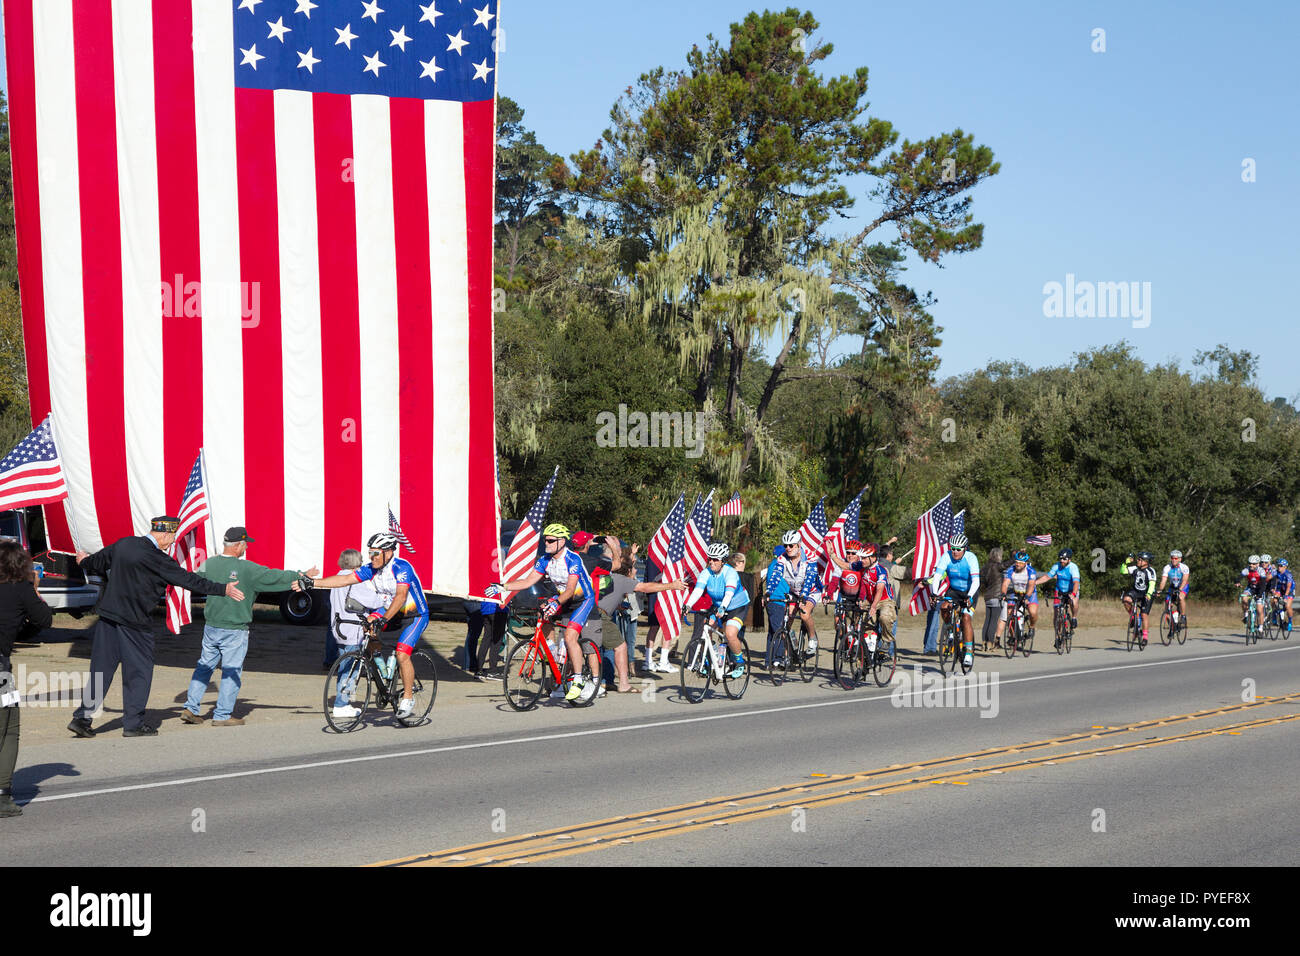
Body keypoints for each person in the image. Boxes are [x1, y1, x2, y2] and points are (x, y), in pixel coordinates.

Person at [68, 516, 244, 738]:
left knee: (100, 671)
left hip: (107, 618)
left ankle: (82, 718)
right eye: (171, 540)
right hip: (135, 624)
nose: (171, 544)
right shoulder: (157, 559)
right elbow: (190, 581)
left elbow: (96, 563)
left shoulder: (125, 544)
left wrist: (83, 561)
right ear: (164, 534)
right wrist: (223, 589)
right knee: (139, 673)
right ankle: (133, 724)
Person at [179, 527, 317, 727]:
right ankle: (222, 715)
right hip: (235, 628)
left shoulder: (209, 563)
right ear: (237, 546)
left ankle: (190, 708)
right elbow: (275, 577)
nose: (246, 547)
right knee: (231, 671)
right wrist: (302, 575)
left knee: (204, 666)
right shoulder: (247, 569)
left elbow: (193, 580)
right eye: (245, 544)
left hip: (211, 625)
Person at [310, 532, 429, 719]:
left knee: (402, 653)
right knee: (367, 627)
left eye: (375, 553)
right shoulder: (372, 569)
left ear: (388, 552)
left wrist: (383, 618)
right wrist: (313, 583)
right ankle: (382, 668)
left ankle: (407, 698)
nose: (371, 557)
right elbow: (344, 580)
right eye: (370, 553)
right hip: (391, 611)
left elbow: (400, 597)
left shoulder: (401, 567)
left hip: (414, 615)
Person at [485, 523, 602, 702]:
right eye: (545, 539)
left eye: (550, 540)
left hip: (581, 600)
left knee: (570, 637)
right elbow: (528, 581)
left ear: (562, 542)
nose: (546, 543)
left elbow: (570, 590)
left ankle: (578, 679)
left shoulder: (573, 559)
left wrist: (557, 603)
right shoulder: (545, 559)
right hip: (564, 598)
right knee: (543, 616)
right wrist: (503, 587)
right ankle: (554, 652)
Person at [0, 541, 52, 817]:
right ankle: (2, 795)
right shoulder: (19, 589)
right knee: (9, 729)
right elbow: (45, 619)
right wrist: (33, 588)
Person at [595, 553, 685, 692]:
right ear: (628, 571)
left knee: (598, 648)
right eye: (634, 569)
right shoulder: (623, 580)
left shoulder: (609, 577)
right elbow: (646, 587)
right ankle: (624, 684)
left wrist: (619, 606)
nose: (636, 571)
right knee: (621, 647)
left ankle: (600, 680)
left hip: (590, 613)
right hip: (601, 616)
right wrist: (672, 585)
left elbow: (604, 596)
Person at [682, 543, 750, 678]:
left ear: (723, 561)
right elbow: (698, 590)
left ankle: (740, 661)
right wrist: (687, 605)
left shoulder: (730, 573)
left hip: (737, 606)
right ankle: (713, 658)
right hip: (718, 605)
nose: (711, 562)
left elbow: (729, 594)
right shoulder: (706, 573)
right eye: (710, 559)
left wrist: (723, 607)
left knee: (730, 634)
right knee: (706, 630)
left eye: (715, 559)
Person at [928, 533, 981, 668]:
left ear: (965, 549)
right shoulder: (946, 556)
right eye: (953, 548)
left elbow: (976, 581)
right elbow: (938, 576)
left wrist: (969, 596)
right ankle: (950, 629)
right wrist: (934, 593)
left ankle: (968, 652)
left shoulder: (971, 558)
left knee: (966, 617)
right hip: (954, 590)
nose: (955, 551)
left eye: (958, 549)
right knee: (944, 607)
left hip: (970, 591)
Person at [1036, 548, 1080, 648]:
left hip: (1071, 590)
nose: (1062, 561)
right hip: (1059, 590)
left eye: (1064, 559)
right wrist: (1034, 583)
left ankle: (1074, 617)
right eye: (1061, 559)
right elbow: (1047, 577)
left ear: (1069, 559)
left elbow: (1076, 582)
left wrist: (1073, 594)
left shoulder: (1073, 567)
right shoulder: (1056, 566)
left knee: (1074, 601)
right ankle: (1057, 637)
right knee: (1057, 615)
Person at [996, 550, 1040, 645]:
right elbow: (1005, 584)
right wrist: (1003, 594)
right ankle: (1013, 636)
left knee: (1032, 612)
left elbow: (1031, 585)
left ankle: (1032, 627)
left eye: (1020, 562)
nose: (1018, 564)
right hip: (1016, 593)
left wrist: (1027, 597)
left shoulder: (1030, 571)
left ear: (1025, 563)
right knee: (1010, 614)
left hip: (1029, 594)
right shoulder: (1010, 570)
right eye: (1016, 561)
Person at [1120, 551, 1158, 646]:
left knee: (1144, 615)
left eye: (1140, 559)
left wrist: (1149, 594)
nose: (1138, 560)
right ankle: (1133, 617)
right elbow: (1123, 571)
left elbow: (1152, 584)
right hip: (1136, 591)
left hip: (1147, 593)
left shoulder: (1151, 571)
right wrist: (1125, 563)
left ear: (1146, 561)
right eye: (1138, 559)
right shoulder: (1135, 568)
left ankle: (1145, 637)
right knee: (1126, 600)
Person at [980, 547, 1005, 649]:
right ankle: (990, 643)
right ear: (999, 556)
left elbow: (982, 583)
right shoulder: (998, 566)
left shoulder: (985, 567)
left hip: (987, 597)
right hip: (996, 596)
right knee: (993, 621)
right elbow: (1008, 564)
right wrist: (1017, 556)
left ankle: (984, 642)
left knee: (987, 620)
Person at [1157, 550, 1190, 627]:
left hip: (1183, 586)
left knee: (1180, 597)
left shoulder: (1184, 567)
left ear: (1180, 559)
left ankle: (1183, 616)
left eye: (1176, 558)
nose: (1173, 560)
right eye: (1172, 558)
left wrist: (1180, 589)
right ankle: (1172, 627)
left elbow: (1185, 580)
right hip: (1172, 587)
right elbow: (1163, 580)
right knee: (1168, 605)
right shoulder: (1167, 567)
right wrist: (1160, 590)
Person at [1239, 555, 1268, 630]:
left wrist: (1260, 594)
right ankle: (1246, 615)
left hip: (1260, 589)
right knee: (1244, 597)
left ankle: (1261, 627)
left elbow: (1263, 584)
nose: (1251, 565)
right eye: (1250, 563)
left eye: (1254, 564)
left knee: (1259, 609)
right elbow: (1240, 576)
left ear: (1258, 564)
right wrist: (1237, 582)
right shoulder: (1247, 569)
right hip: (1250, 588)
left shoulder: (1261, 571)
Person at [1268, 558, 1294, 633]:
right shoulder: (1276, 572)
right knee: (1274, 600)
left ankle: (1290, 622)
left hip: (1289, 591)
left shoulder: (1288, 574)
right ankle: (1274, 615)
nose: (1279, 567)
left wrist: (1286, 595)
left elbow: (1289, 586)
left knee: (1287, 606)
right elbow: (1269, 577)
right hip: (1280, 589)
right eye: (1278, 565)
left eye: (1281, 566)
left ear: (1285, 567)